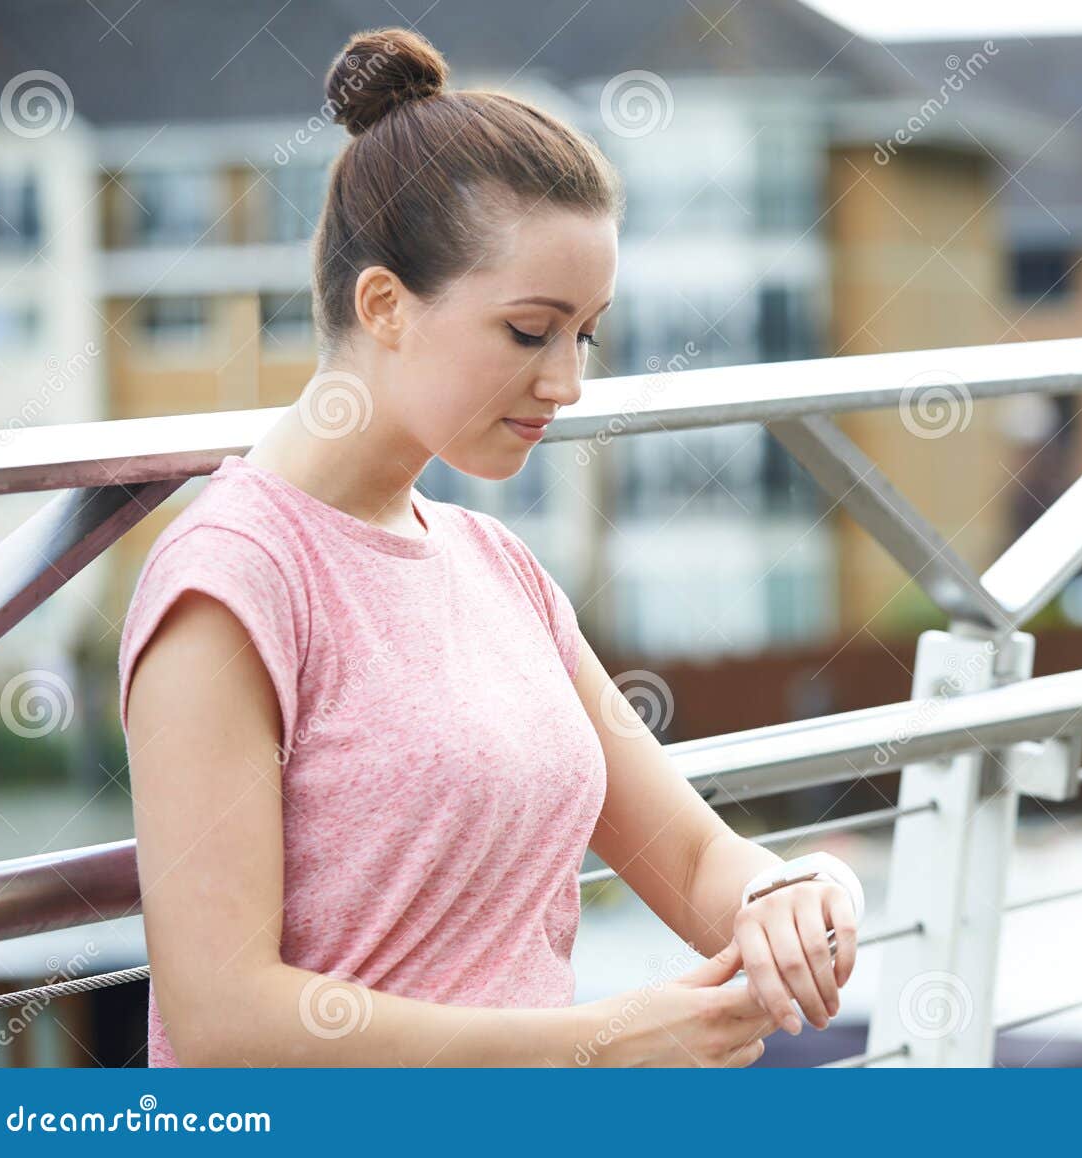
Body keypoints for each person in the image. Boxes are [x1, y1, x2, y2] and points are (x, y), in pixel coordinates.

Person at [119, 25, 862, 1068]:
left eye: (585, 333)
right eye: (528, 331)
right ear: (384, 305)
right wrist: (599, 1048)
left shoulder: (498, 566)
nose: (568, 383)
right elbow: (222, 1021)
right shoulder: (231, 580)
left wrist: (788, 894)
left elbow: (697, 860)